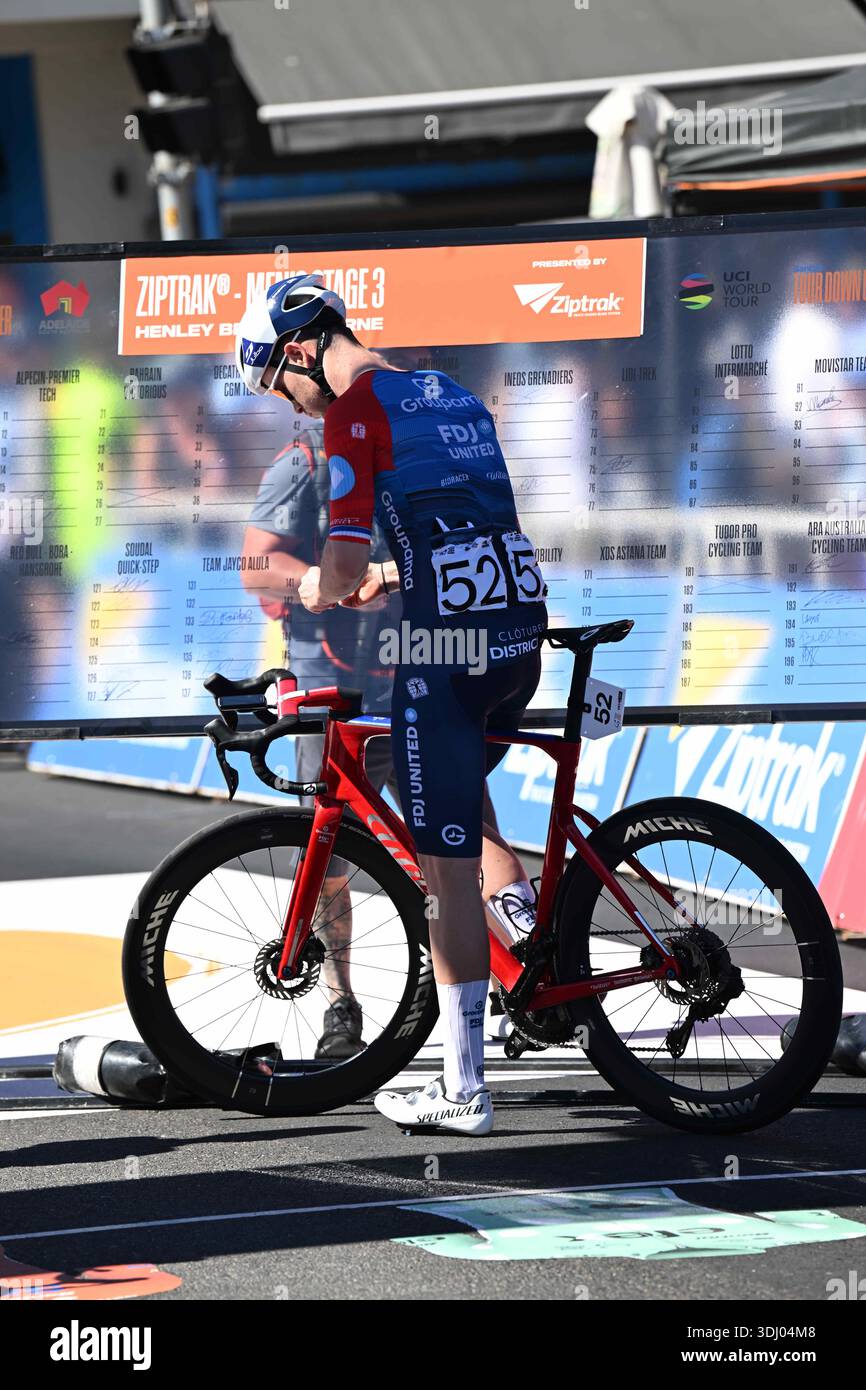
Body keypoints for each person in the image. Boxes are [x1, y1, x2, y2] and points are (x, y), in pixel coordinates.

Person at [235, 274, 548, 1136]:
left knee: (444, 869)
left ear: (299, 350)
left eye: (280, 383)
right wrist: (388, 571)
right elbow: (469, 527)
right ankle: (535, 949)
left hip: (443, 648)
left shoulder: (351, 410)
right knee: (447, 802)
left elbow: (332, 563)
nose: (291, 405)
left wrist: (320, 586)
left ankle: (465, 1090)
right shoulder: (445, 392)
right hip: (519, 628)